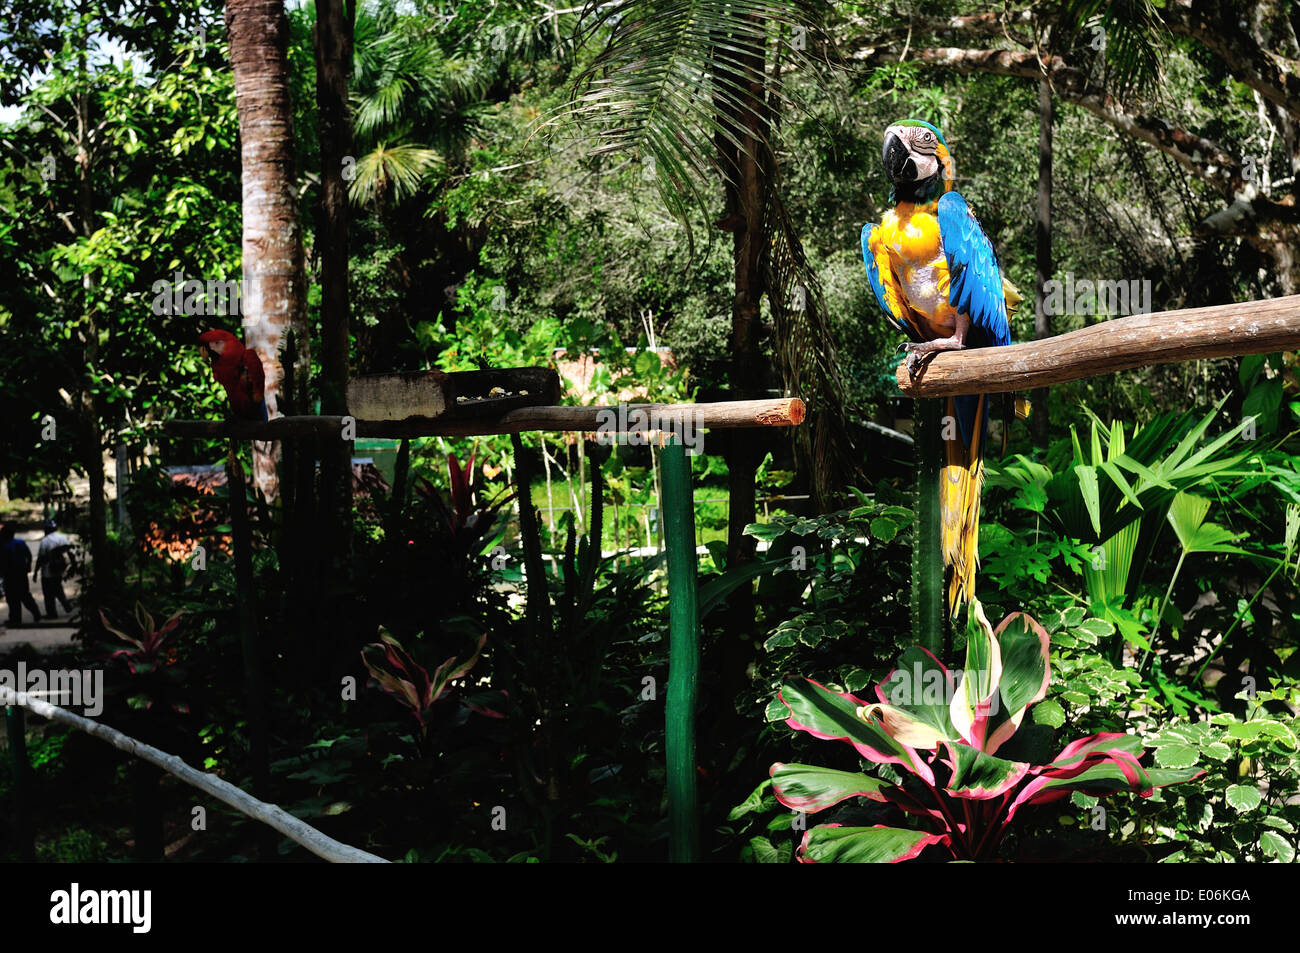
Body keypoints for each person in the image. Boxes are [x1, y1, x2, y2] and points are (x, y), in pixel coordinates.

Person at [33, 519, 74, 619]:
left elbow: (41, 558)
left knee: (48, 593)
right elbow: (70, 552)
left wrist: (35, 572)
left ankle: (52, 613)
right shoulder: (62, 537)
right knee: (58, 587)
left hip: (47, 571)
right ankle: (65, 604)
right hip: (60, 569)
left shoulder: (45, 541)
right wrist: (73, 565)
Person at [0, 524, 41, 625]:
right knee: (25, 595)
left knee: (12, 598)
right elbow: (29, 555)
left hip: (10, 575)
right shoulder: (20, 542)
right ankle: (36, 613)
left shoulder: (4, 547)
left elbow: (3, 562)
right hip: (21, 573)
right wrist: (28, 566)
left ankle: (15, 618)